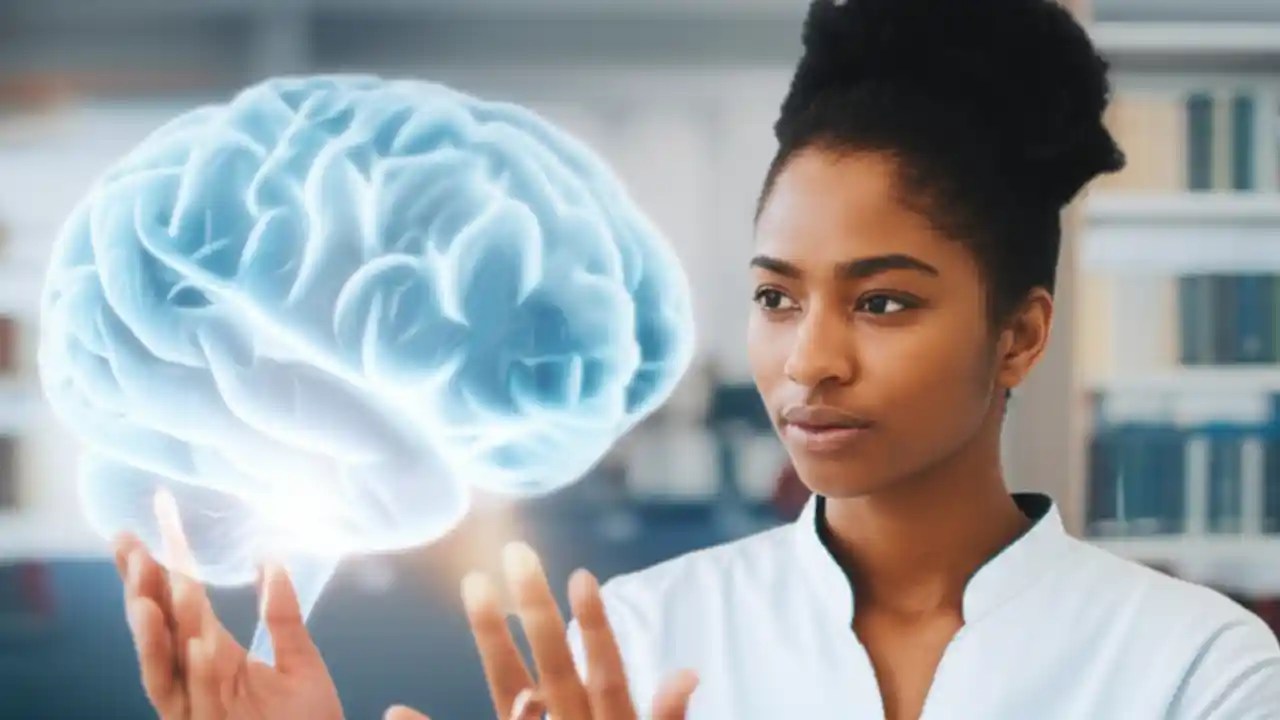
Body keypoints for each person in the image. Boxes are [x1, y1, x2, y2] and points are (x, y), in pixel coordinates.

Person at [113, 0, 1280, 717]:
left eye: (879, 302)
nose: (805, 362)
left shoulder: (1193, 672)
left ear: (1018, 332)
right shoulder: (628, 642)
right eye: (776, 297)